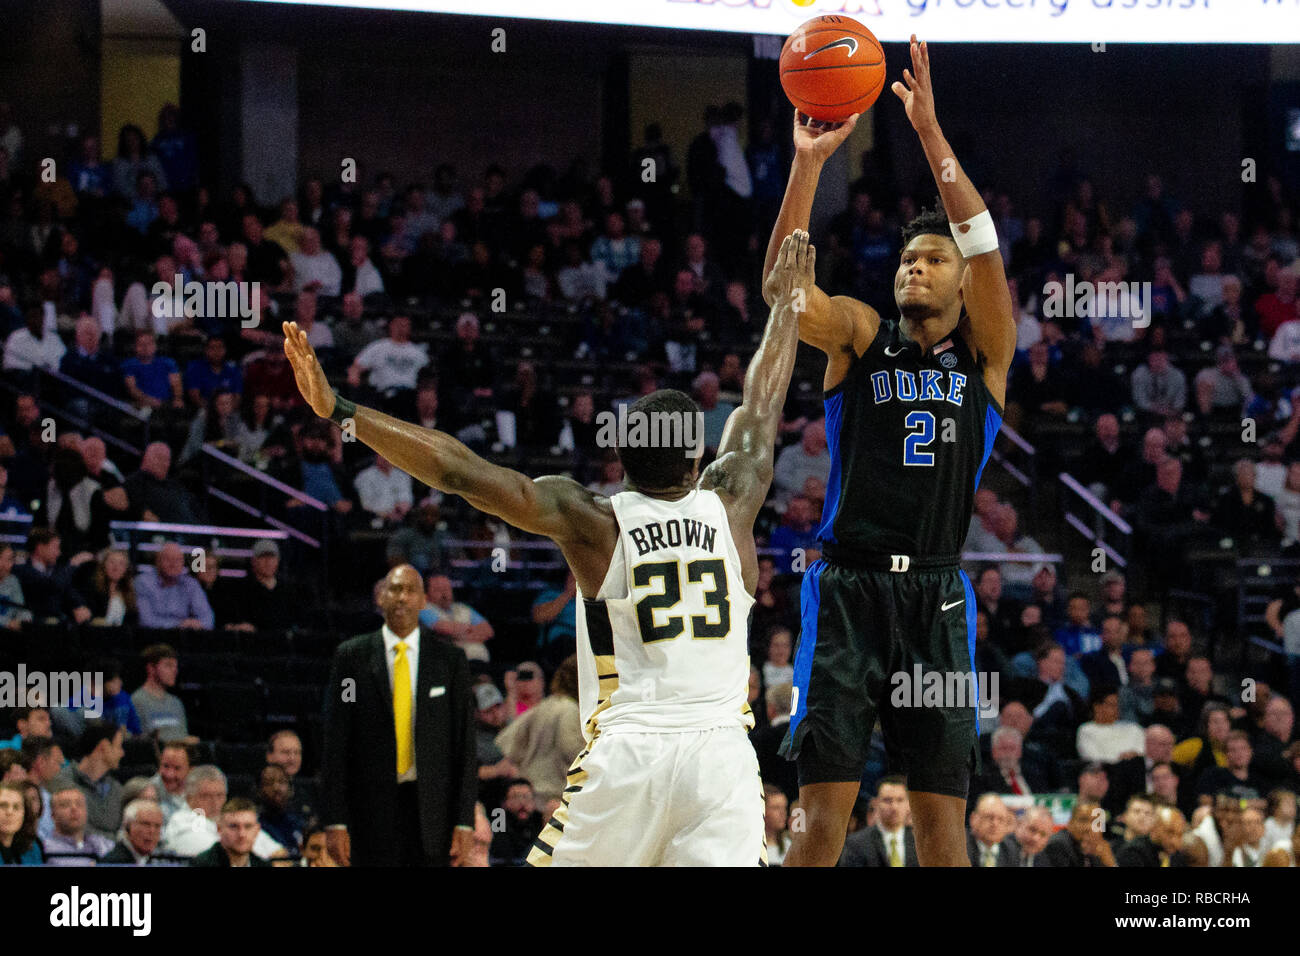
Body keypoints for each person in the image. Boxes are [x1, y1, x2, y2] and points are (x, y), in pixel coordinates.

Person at [285, 231, 813, 866]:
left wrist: (341, 409)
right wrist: (788, 307)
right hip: (723, 760)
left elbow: (461, 471)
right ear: (698, 454)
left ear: (621, 458)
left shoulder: (594, 520)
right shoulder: (734, 503)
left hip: (632, 756)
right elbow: (761, 404)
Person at [767, 38, 1015, 868]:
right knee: (821, 827)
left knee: (946, 834)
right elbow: (785, 293)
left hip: (940, 599)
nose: (916, 267)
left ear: (957, 282)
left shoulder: (987, 359)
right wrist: (806, 164)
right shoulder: (862, 337)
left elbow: (980, 240)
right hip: (847, 593)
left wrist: (931, 133)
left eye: (932, 259)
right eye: (909, 257)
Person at [494, 656, 584, 807]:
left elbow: (504, 742)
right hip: (552, 794)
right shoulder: (569, 709)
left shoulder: (546, 705)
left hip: (532, 789)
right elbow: (571, 750)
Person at [838, 776, 919, 867]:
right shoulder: (856, 843)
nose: (894, 807)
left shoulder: (918, 842)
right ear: (876, 803)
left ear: (909, 804)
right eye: (887, 800)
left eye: (900, 800)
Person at [134, 543, 214, 631]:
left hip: (184, 638)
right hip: (152, 636)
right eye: (168, 559)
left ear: (183, 563)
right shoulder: (143, 582)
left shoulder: (191, 584)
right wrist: (180, 624)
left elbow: (208, 619)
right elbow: (146, 621)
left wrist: (196, 624)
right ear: (158, 562)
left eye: (178, 560)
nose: (173, 564)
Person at [130, 644, 191, 742]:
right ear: (151, 668)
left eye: (176, 666)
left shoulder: (176, 703)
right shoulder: (137, 701)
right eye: (168, 665)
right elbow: (136, 740)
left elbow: (183, 735)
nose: (175, 670)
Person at [191, 798, 273, 867]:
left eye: (248, 826)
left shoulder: (263, 865)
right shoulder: (202, 864)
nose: (242, 834)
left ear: (257, 830)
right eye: (234, 826)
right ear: (219, 829)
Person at [43, 785, 114, 864]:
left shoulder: (103, 845)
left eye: (79, 804)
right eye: (65, 805)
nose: (74, 808)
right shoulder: (46, 849)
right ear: (53, 815)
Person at [100, 799, 164, 864]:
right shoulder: (112, 862)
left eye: (157, 826)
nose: (152, 831)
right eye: (145, 824)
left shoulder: (163, 859)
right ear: (128, 827)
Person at [0, 781, 42, 865]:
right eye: (3, 805)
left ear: (25, 814)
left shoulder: (32, 848)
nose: (9, 812)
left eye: (16, 807)